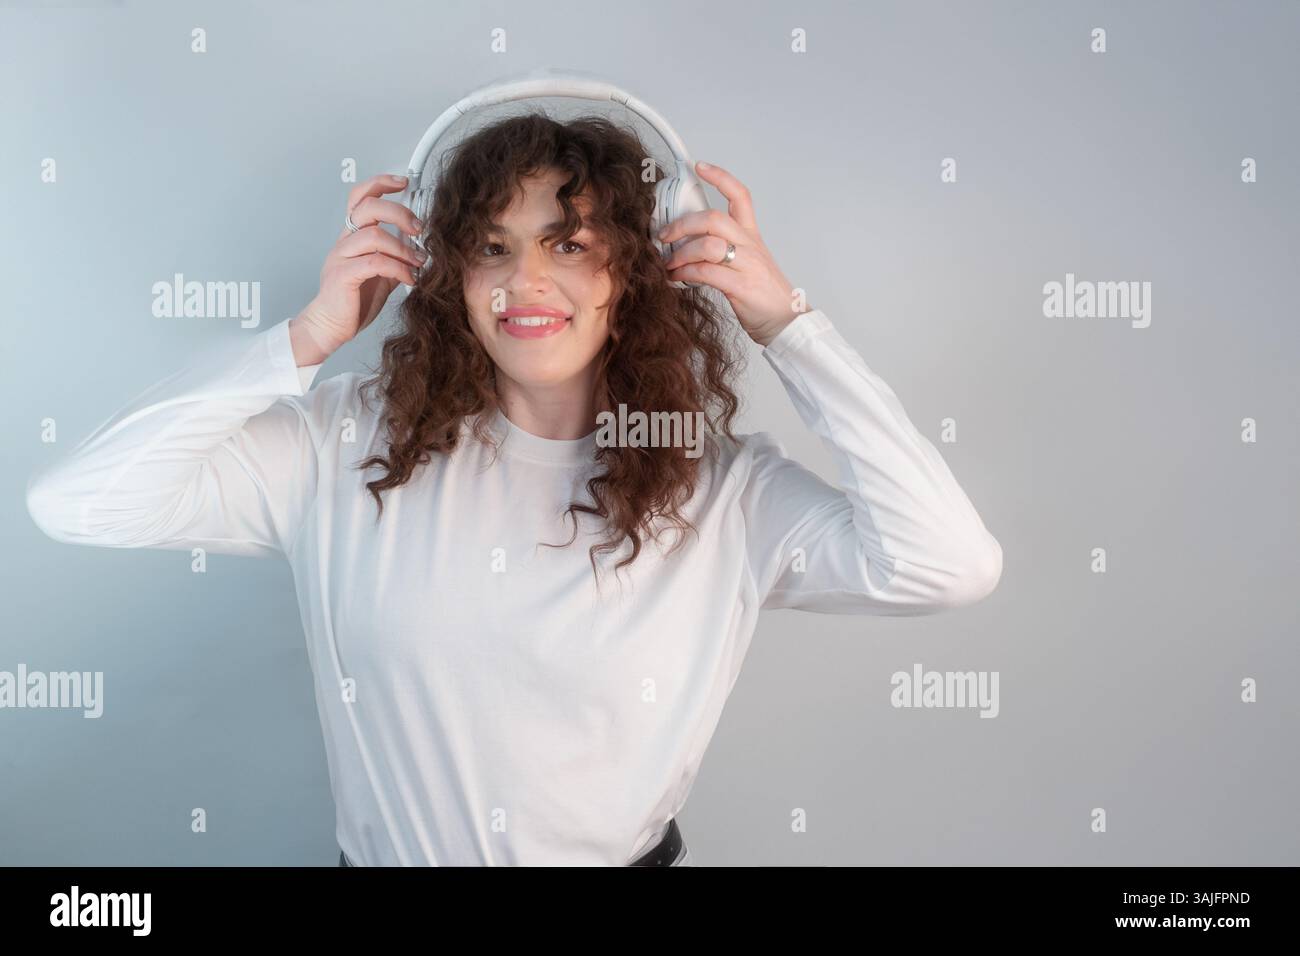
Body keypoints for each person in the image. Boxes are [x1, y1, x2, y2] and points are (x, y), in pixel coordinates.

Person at [25, 113, 1003, 866]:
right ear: (448, 274)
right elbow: (77, 502)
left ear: (637, 269)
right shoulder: (342, 444)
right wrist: (306, 338)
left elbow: (948, 562)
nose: (523, 280)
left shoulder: (721, 490)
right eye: (491, 247)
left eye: (568, 243)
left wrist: (788, 324)